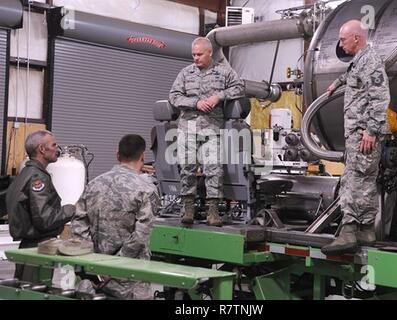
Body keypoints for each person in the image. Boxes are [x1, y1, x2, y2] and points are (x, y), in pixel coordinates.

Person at [321, 20, 390, 255]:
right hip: (361, 134)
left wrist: (371, 130)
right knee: (365, 182)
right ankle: (366, 230)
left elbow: (380, 98)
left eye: (343, 39)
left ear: (356, 39)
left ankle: (348, 232)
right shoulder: (360, 62)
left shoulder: (369, 62)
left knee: (353, 180)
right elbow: (357, 80)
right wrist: (337, 82)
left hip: (363, 134)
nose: (340, 44)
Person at [71, 134, 159, 300]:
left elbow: (78, 224)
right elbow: (141, 235)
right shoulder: (146, 189)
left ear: (117, 155)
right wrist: (114, 267)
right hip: (130, 277)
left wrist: (92, 262)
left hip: (94, 275)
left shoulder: (94, 184)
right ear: (143, 157)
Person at [169, 37, 244, 227]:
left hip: (212, 126)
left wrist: (219, 96)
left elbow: (239, 87)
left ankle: (213, 211)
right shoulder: (185, 73)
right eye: (193, 54)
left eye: (199, 54)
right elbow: (174, 96)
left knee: (214, 169)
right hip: (188, 126)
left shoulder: (224, 72)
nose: (195, 58)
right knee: (187, 168)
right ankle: (188, 209)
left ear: (209, 53)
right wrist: (195, 103)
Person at [6, 130, 75, 281]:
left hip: (28, 247)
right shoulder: (37, 177)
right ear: (42, 149)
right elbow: (45, 220)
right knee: (35, 291)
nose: (58, 149)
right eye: (54, 145)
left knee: (24, 291)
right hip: (38, 248)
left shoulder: (25, 174)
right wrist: (72, 208)